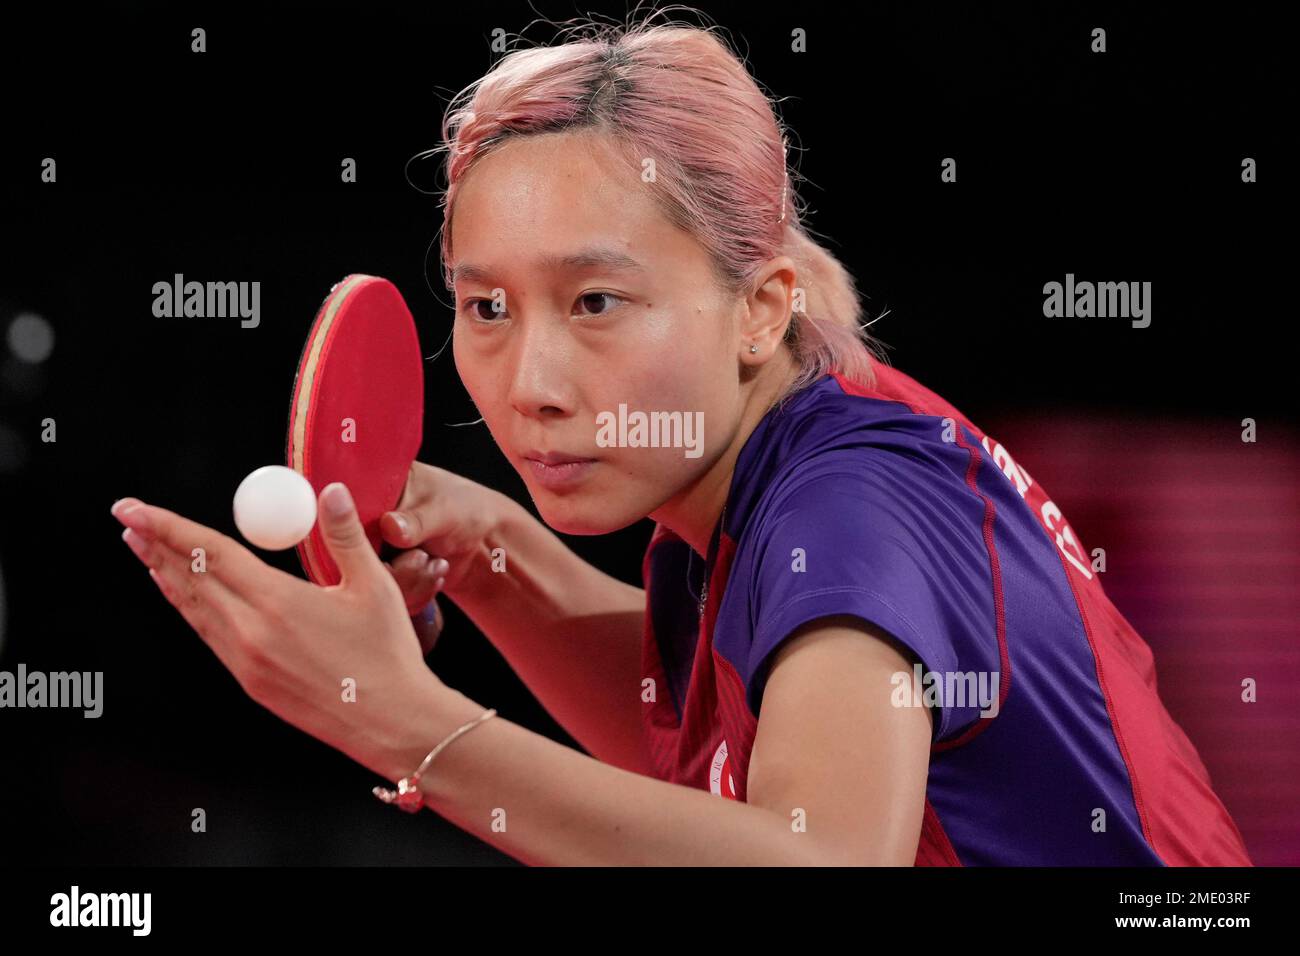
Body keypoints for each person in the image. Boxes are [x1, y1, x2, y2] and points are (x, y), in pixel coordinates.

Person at [112, 10, 1252, 865]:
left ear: (761, 304)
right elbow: (718, 746)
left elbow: (820, 856)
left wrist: (408, 726)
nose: (533, 384)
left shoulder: (847, 508)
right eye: (486, 307)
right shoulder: (761, 480)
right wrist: (503, 562)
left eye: (596, 301)